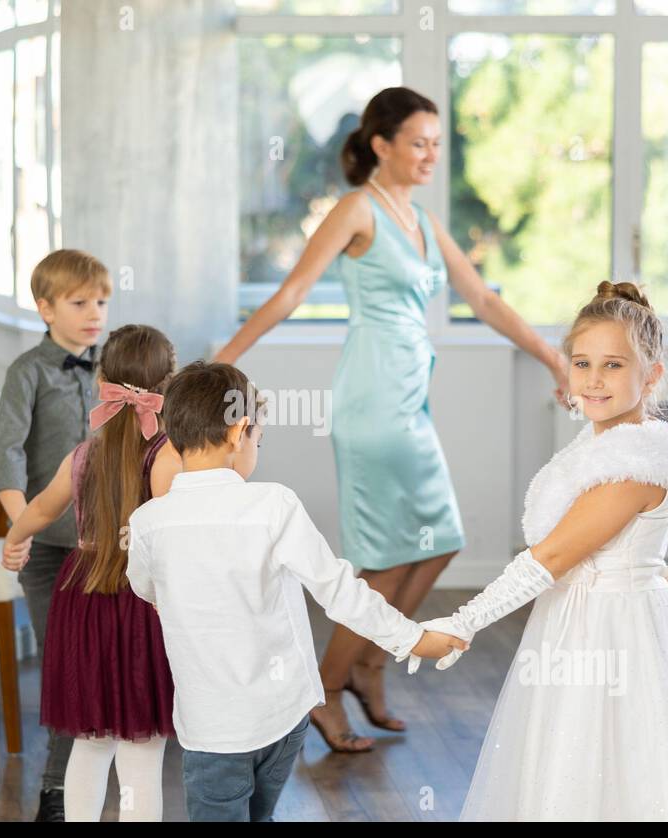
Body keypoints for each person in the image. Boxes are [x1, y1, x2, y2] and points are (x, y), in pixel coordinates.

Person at [215, 86, 568, 752]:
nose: (431, 153)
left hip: (411, 398)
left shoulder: (423, 220)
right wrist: (218, 364)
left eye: (438, 143)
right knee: (380, 564)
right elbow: (291, 292)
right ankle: (325, 689)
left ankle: (369, 663)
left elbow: (484, 300)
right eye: (418, 142)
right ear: (381, 144)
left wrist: (552, 355)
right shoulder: (358, 209)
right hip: (372, 399)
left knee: (438, 539)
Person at [419, 281, 668, 821]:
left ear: (651, 376)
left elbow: (551, 558)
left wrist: (462, 624)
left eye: (613, 366)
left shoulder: (632, 463)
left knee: (617, 761)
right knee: (576, 763)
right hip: (582, 619)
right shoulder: (617, 440)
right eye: (581, 363)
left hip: (613, 626)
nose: (593, 380)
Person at [124, 360, 468, 821]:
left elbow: (146, 589)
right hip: (283, 716)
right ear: (239, 431)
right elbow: (339, 589)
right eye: (258, 441)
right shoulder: (274, 505)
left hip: (211, 728)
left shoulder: (148, 524)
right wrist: (413, 639)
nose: (256, 450)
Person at [1, 324, 182, 822]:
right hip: (141, 608)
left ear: (104, 379)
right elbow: (172, 539)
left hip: (82, 599)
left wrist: (15, 539)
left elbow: (39, 509)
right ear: (168, 386)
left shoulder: (83, 455)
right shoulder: (169, 457)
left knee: (91, 740)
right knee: (143, 749)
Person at [0, 249, 108, 821]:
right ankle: (56, 793)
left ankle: (90, 783)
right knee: (66, 666)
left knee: (100, 661)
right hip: (49, 549)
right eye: (80, 302)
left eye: (102, 302)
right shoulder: (27, 372)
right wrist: (21, 524)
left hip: (106, 548)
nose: (95, 313)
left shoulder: (116, 370)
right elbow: (4, 453)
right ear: (45, 308)